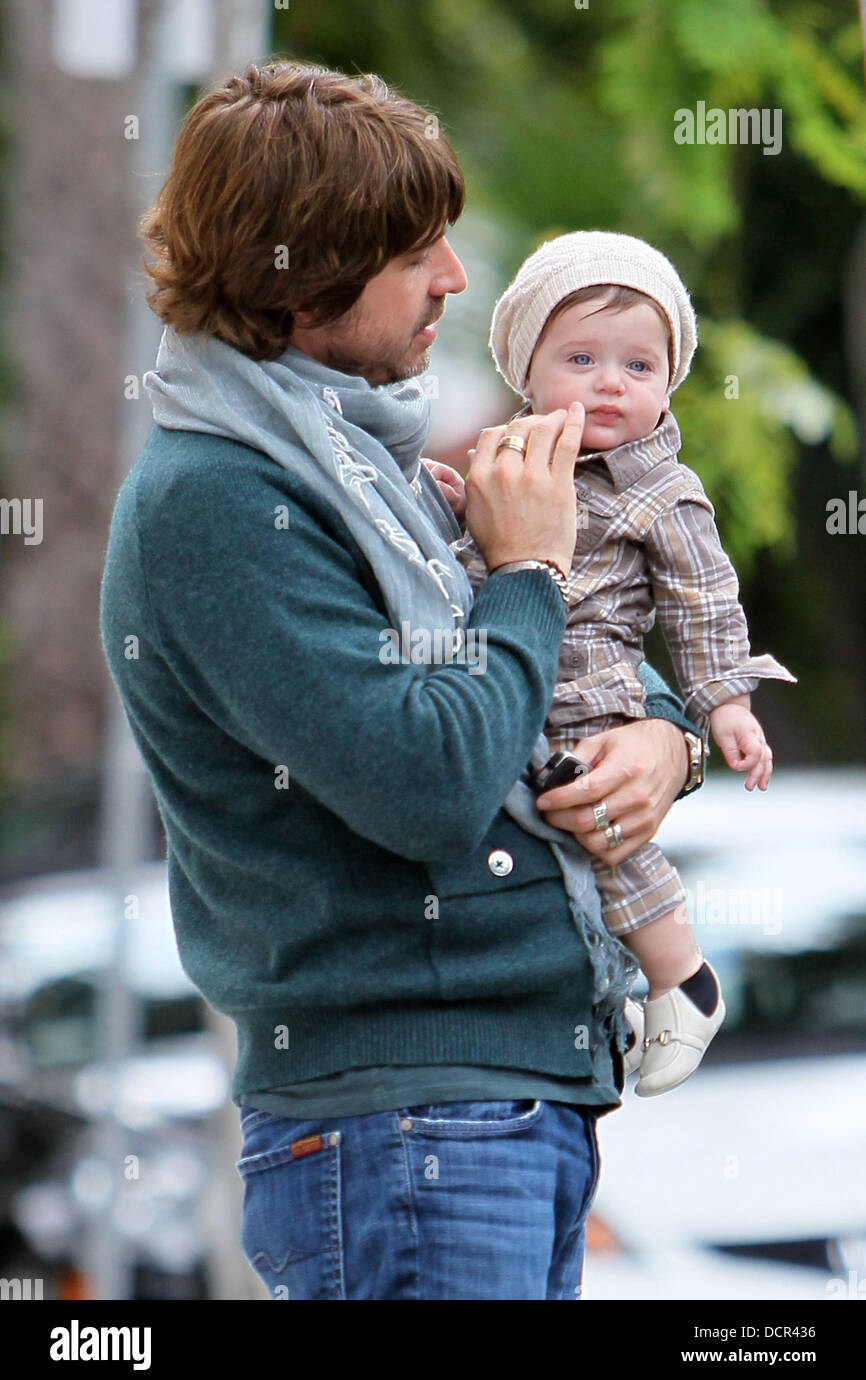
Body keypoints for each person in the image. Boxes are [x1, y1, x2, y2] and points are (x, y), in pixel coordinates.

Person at [100, 61, 704, 1301]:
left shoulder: (353, 461)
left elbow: (564, 672)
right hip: (406, 1127)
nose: (453, 278)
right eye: (414, 250)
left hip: (498, 1108)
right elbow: (427, 778)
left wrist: (664, 736)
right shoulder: (220, 503)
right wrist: (527, 565)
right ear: (307, 272)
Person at [445, 230, 796, 1098]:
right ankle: (620, 992)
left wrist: (724, 706)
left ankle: (686, 981)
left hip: (595, 683)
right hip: (511, 674)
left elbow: (705, 600)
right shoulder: (513, 457)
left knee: (601, 825)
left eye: (640, 367)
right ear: (529, 368)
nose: (611, 382)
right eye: (583, 357)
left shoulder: (663, 492)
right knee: (538, 835)